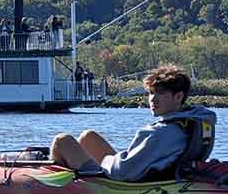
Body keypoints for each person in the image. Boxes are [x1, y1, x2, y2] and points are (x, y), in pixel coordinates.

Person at [50, 65, 217, 182]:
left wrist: (106, 161)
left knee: (62, 140)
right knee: (88, 137)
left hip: (117, 182)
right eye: (151, 93)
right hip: (164, 173)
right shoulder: (197, 121)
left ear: (178, 97)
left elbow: (122, 172)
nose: (153, 99)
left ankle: (57, 186)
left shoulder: (159, 133)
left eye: (161, 93)